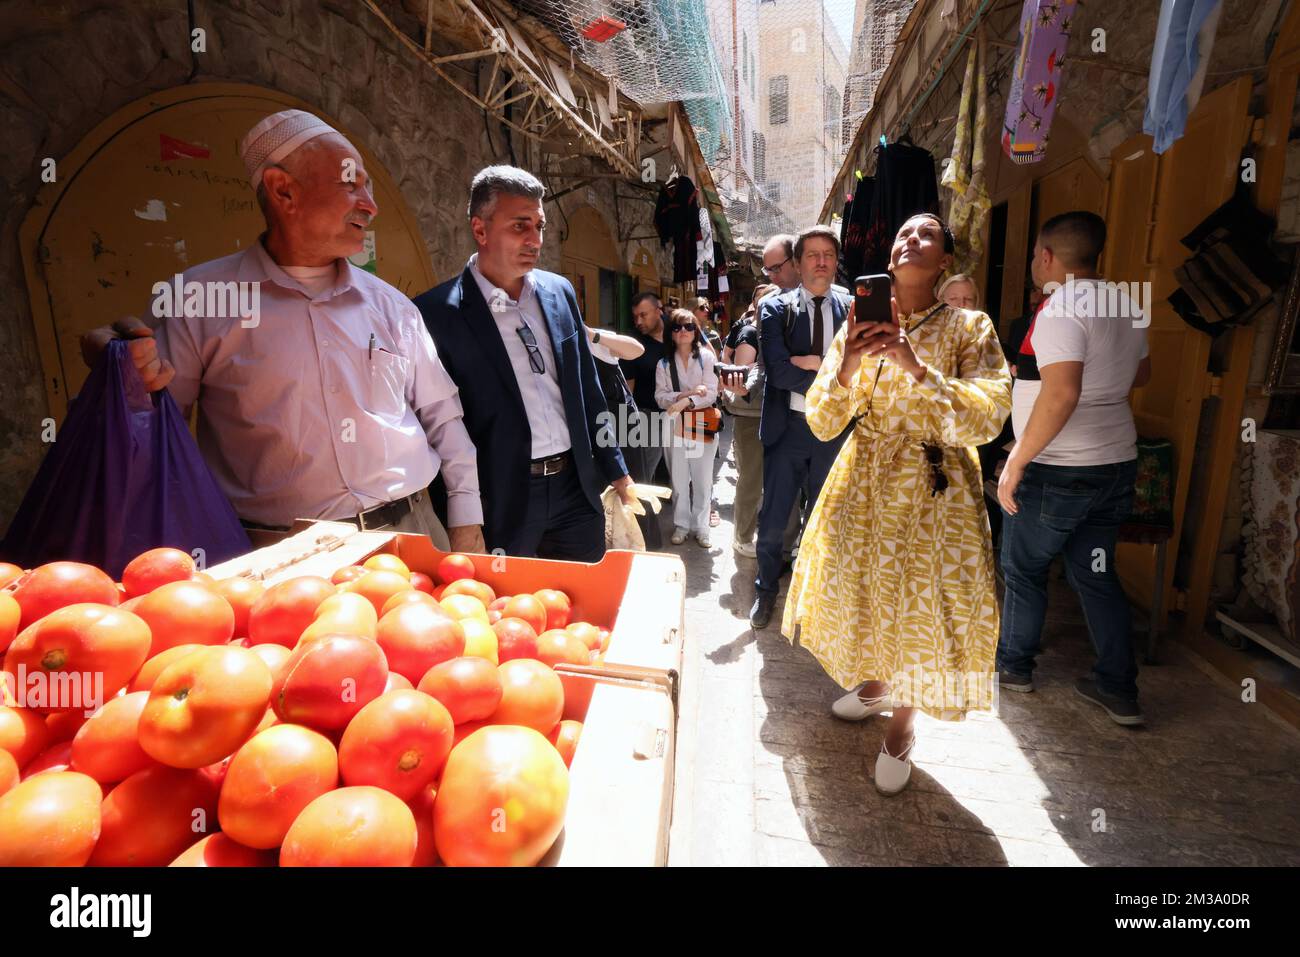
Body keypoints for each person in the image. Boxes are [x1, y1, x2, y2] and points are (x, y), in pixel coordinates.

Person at [79, 109, 484, 551]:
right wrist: (118, 372)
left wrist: (466, 524)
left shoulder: (392, 306)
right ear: (282, 189)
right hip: (276, 556)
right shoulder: (202, 299)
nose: (370, 204)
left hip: (412, 533)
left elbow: (443, 419)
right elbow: (153, 430)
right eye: (351, 184)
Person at [783, 213, 1012, 795]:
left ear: (945, 261)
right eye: (903, 234)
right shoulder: (854, 324)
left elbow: (987, 416)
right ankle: (879, 684)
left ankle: (902, 727)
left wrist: (914, 363)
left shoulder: (971, 327)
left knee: (924, 607)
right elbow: (821, 418)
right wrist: (853, 361)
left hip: (937, 491)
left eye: (927, 235)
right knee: (865, 591)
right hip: (865, 481)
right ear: (887, 260)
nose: (911, 240)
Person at [412, 166, 634, 561]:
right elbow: (438, 425)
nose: (534, 240)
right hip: (502, 496)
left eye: (540, 226)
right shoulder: (435, 314)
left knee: (581, 607)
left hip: (575, 490)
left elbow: (588, 388)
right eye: (520, 226)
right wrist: (463, 515)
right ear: (480, 230)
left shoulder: (559, 291)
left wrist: (615, 467)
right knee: (508, 611)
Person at [996, 211, 1152, 725]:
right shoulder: (1127, 304)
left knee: (1023, 570)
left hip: (1058, 468)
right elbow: (1141, 372)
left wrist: (1018, 458)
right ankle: (1117, 688)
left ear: (1047, 257)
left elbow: (1063, 391)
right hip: (1114, 464)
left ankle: (1014, 666)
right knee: (1097, 575)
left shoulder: (1061, 310)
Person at [749, 226, 853, 629]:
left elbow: (866, 373)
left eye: (829, 254)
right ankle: (764, 591)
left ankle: (812, 598)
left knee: (825, 520)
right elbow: (776, 372)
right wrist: (834, 371)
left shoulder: (853, 307)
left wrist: (810, 363)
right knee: (775, 520)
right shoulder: (776, 308)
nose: (821, 262)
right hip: (789, 428)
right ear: (798, 263)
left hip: (837, 431)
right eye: (813, 255)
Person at [720, 284, 777, 558]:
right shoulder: (752, 333)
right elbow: (741, 381)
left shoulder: (772, 332)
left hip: (768, 414)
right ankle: (743, 537)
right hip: (752, 417)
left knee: (761, 479)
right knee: (751, 480)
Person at [656, 309, 719, 547]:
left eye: (689, 327)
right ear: (670, 333)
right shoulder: (663, 363)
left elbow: (711, 392)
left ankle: (702, 527)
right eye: (677, 327)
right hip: (674, 423)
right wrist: (689, 393)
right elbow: (660, 397)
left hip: (702, 420)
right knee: (679, 478)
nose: (683, 332)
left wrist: (686, 402)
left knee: (703, 478)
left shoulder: (706, 357)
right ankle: (682, 525)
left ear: (696, 331)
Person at [620, 291, 671, 548]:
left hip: (685, 415)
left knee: (691, 471)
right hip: (648, 417)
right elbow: (627, 390)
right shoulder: (634, 345)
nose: (639, 321)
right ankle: (645, 534)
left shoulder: (679, 331)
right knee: (646, 476)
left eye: (644, 314)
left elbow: (705, 355)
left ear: (658, 310)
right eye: (635, 317)